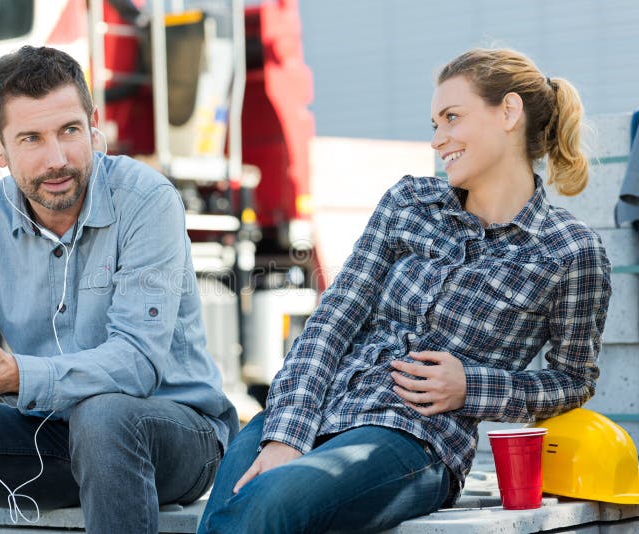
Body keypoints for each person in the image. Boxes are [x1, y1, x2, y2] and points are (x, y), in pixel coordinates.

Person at [197, 48, 612, 533]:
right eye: (435, 123)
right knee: (235, 502)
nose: (439, 139)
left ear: (509, 112)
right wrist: (287, 433)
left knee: (273, 500)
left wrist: (471, 387)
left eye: (452, 118)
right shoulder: (409, 202)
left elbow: (573, 380)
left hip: (416, 439)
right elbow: (333, 322)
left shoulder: (570, 253)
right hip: (320, 402)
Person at [0, 45, 238, 534]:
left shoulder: (148, 200)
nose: (58, 159)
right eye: (31, 138)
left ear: (94, 126)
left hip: (175, 439)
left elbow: (138, 364)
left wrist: (13, 377)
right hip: (49, 439)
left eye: (70, 131)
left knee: (105, 418)